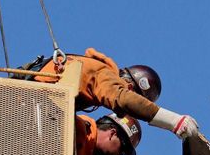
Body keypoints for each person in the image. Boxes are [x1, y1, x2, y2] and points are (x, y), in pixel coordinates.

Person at [33, 48, 200, 140]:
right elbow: (124, 99)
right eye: (136, 96)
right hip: (27, 105)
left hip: (29, 104)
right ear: (129, 84)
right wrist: (173, 121)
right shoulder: (103, 74)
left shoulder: (94, 73)